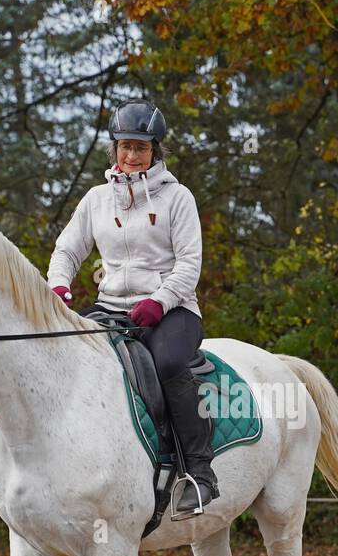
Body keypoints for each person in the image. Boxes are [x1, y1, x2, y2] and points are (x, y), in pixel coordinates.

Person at [46, 98, 218, 516]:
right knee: (64, 357)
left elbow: (190, 264)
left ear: (155, 151)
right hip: (110, 309)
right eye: (124, 146)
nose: (131, 155)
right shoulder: (95, 200)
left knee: (168, 365)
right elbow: (68, 249)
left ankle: (198, 473)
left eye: (140, 148)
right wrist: (59, 284)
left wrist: (159, 302)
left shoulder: (178, 199)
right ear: (114, 149)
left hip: (173, 312)